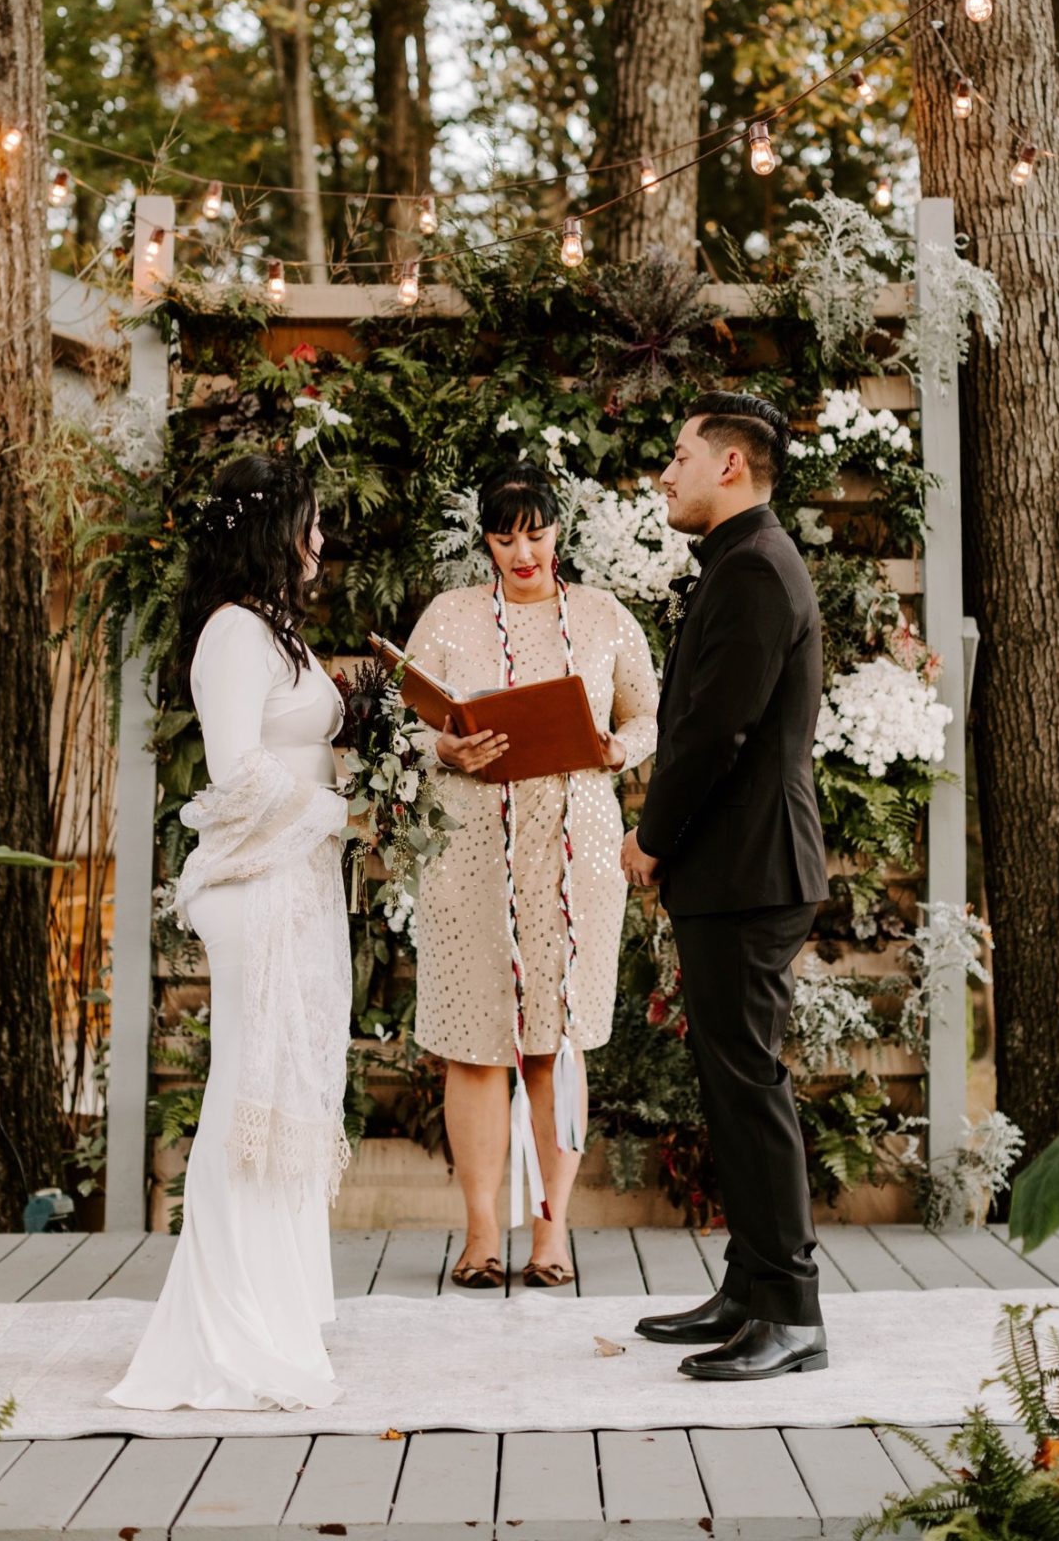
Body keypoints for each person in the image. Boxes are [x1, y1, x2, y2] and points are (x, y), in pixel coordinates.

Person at [108, 453, 351, 1412]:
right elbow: (238, 772)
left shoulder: (275, 634)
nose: (320, 541)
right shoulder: (231, 635)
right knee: (249, 1089)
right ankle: (225, 1324)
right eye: (310, 523)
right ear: (270, 533)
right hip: (255, 889)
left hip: (298, 881)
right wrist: (347, 814)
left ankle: (278, 1308)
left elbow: (302, 748)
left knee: (290, 1083)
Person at [405, 460, 658, 1289]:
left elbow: (649, 711)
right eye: (505, 536)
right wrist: (442, 746)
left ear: (558, 532)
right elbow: (402, 721)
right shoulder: (446, 618)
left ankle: (552, 1233)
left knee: (555, 1047)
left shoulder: (603, 617)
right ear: (483, 537)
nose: (522, 552)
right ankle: (481, 1234)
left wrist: (623, 747)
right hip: (469, 855)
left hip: (575, 853)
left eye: (537, 534)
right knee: (475, 1049)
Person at [621, 392, 829, 1382]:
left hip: (751, 868)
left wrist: (652, 840)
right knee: (732, 1081)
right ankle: (751, 1285)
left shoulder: (754, 569)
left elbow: (719, 729)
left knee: (750, 1087)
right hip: (737, 868)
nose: (666, 471)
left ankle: (791, 1310)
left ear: (731, 466)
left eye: (678, 451)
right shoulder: (743, 564)